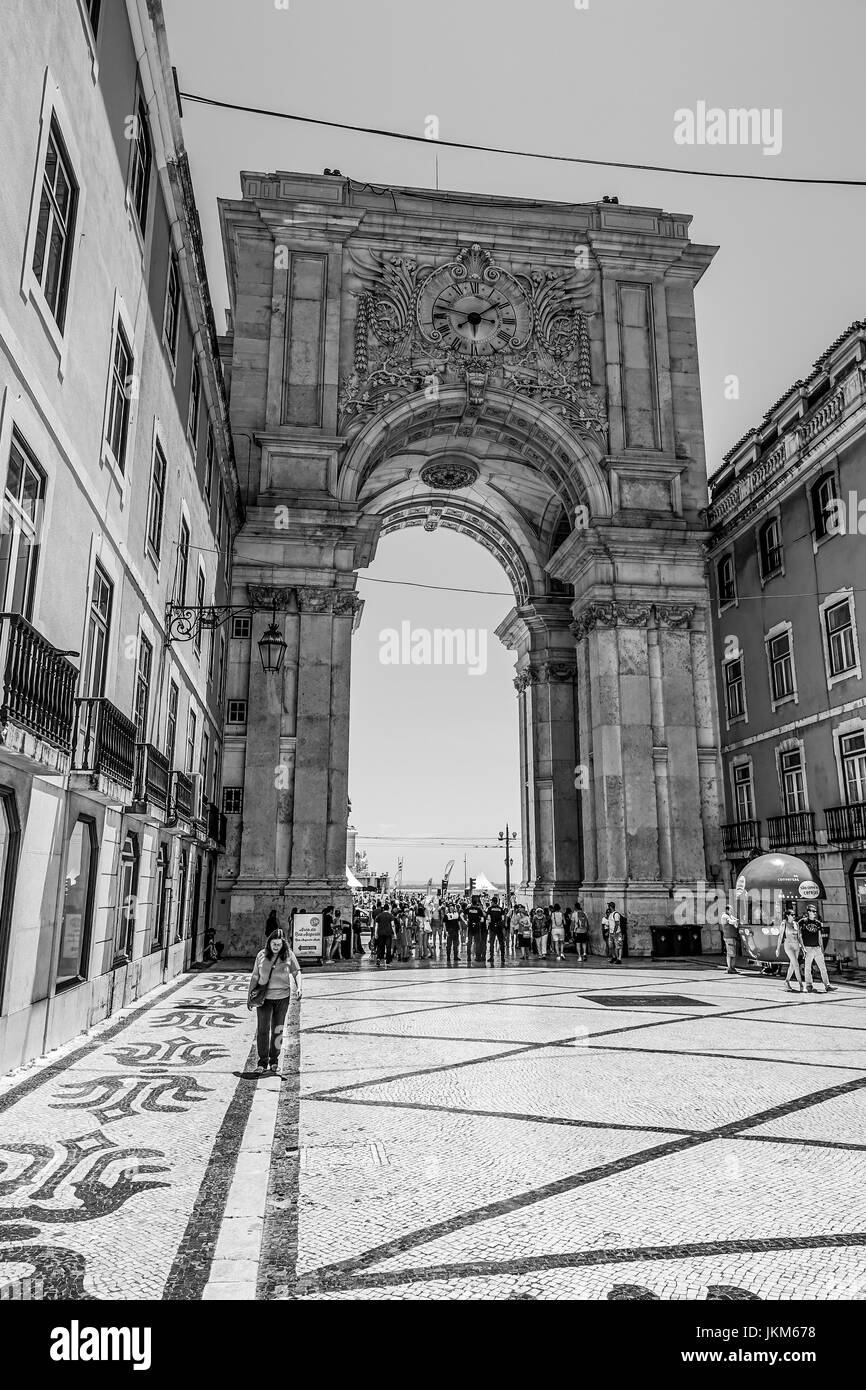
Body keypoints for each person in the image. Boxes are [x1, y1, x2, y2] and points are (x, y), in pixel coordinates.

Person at [248, 926, 303, 1074]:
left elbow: (296, 972)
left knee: (278, 1029)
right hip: (264, 998)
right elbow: (255, 976)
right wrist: (249, 996)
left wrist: (299, 987)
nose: (276, 947)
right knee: (263, 1030)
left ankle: (274, 1060)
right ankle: (262, 1061)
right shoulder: (261, 955)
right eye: (274, 944)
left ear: (283, 943)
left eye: (279, 944)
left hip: (283, 998)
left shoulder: (288, 955)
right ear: (269, 943)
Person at [798, 905, 835, 995]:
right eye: (813, 911)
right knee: (807, 968)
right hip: (808, 948)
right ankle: (809, 985)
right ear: (809, 912)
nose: (815, 913)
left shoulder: (818, 923)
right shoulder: (803, 922)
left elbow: (819, 937)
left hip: (817, 948)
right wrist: (802, 948)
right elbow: (799, 935)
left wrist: (821, 948)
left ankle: (827, 985)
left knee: (823, 968)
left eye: (815, 911)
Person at [776, 906, 802, 993]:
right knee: (796, 965)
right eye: (792, 915)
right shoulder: (784, 924)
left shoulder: (796, 924)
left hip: (796, 946)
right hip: (788, 945)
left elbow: (800, 937)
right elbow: (780, 937)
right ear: (787, 915)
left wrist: (803, 947)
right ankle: (801, 985)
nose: (794, 916)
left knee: (792, 965)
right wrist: (778, 949)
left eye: (794, 915)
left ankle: (787, 981)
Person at [372, 902, 396, 969]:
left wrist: (375, 933)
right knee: (388, 947)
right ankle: (388, 961)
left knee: (380, 947)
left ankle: (378, 959)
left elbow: (376, 925)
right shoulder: (390, 916)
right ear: (388, 909)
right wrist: (394, 933)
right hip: (388, 933)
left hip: (380, 933)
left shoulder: (379, 916)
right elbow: (393, 925)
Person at [719, 904, 740, 975]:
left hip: (732, 937)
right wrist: (736, 921)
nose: (732, 911)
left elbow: (735, 921)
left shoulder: (730, 916)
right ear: (727, 910)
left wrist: (737, 921)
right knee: (730, 953)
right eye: (731, 909)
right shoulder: (724, 916)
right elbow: (732, 922)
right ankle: (730, 968)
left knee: (733, 953)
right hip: (729, 937)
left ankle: (732, 967)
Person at [486, 897, 507, 965]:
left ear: (492, 901)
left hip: (492, 927)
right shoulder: (501, 909)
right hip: (499, 927)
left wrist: (489, 925)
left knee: (491, 943)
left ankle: (491, 957)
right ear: (497, 901)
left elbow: (488, 918)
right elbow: (503, 919)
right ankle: (502, 957)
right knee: (501, 943)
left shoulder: (489, 909)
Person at [466, 897, 485, 964]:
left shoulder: (468, 909)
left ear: (471, 902)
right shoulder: (479, 910)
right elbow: (482, 919)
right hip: (477, 927)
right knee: (477, 942)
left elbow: (462, 914)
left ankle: (468, 957)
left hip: (470, 927)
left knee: (469, 942)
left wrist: (466, 921)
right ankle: (478, 957)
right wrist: (478, 921)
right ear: (476, 902)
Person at [444, 898, 461, 964]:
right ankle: (448, 957)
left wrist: (460, 930)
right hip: (449, 932)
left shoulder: (457, 914)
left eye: (452, 906)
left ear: (454, 907)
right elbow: (444, 924)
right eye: (450, 906)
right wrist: (445, 932)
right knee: (449, 945)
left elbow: (459, 923)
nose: (451, 907)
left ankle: (455, 956)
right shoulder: (446, 915)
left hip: (456, 931)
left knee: (455, 945)